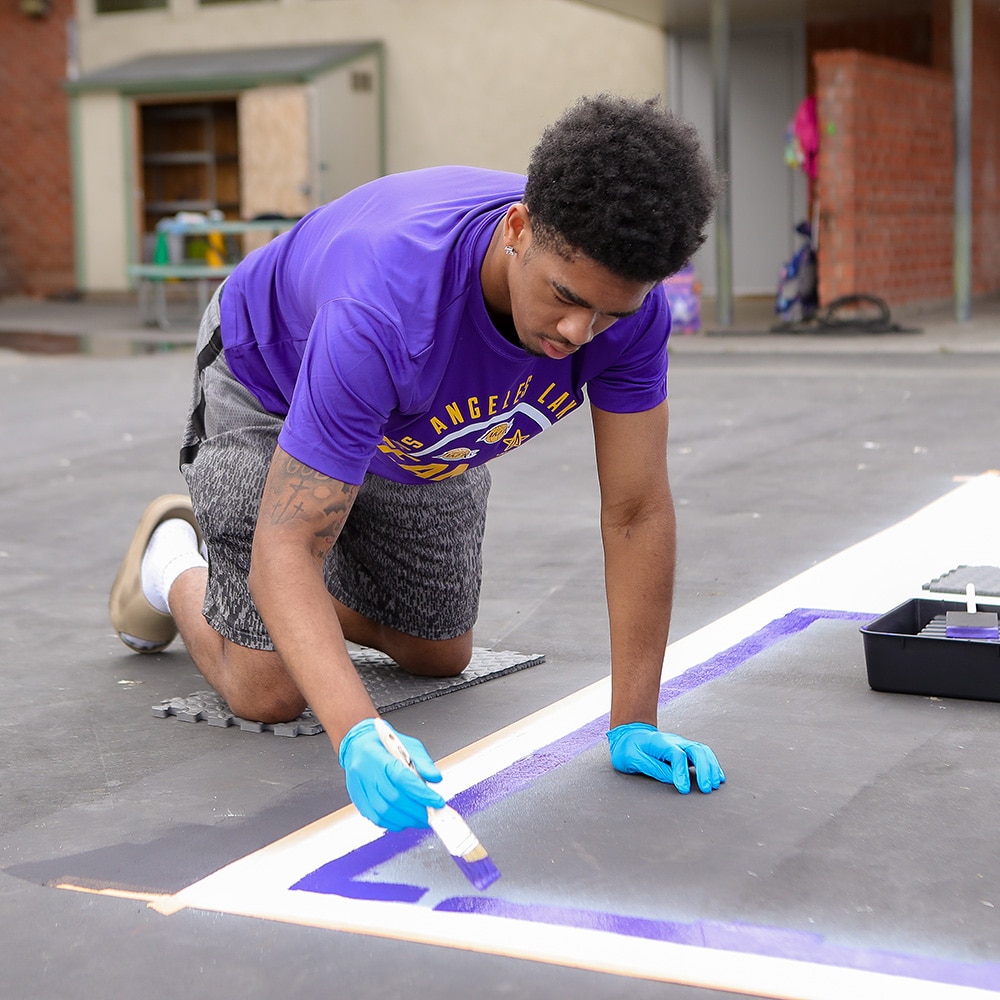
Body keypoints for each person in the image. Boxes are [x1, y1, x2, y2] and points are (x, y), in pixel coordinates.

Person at [110, 94, 725, 833]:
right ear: (518, 229)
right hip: (272, 376)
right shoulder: (389, 304)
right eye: (564, 297)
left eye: (609, 313)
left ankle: (287, 594)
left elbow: (636, 510)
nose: (578, 332)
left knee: (437, 653)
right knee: (269, 686)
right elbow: (288, 544)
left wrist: (636, 721)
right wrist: (357, 731)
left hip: (415, 425)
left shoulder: (627, 316)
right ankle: (171, 558)